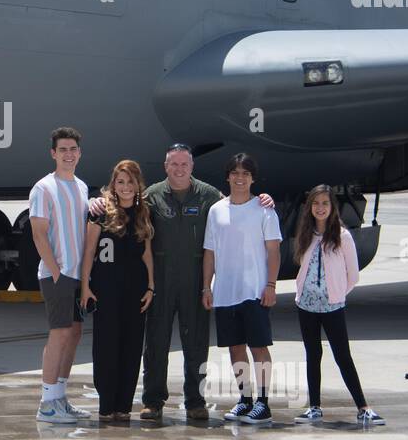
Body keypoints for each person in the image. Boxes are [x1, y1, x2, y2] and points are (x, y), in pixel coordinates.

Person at [88, 144, 273, 424]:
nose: (179, 169)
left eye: (184, 164)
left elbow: (236, 203)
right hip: (160, 281)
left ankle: (195, 401)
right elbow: (119, 203)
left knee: (196, 343)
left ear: (191, 167)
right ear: (165, 167)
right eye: (173, 164)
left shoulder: (208, 196)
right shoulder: (151, 197)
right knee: (156, 344)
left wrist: (264, 199)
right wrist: (95, 202)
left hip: (194, 280)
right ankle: (153, 401)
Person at [292, 184, 385, 425]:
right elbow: (302, 265)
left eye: (325, 203)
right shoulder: (305, 233)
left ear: (333, 207)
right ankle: (314, 407)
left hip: (332, 305)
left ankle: (363, 407)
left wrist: (336, 294)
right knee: (313, 354)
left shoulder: (342, 237)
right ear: (309, 207)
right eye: (315, 203)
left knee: (343, 355)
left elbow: (352, 275)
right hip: (307, 305)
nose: (320, 208)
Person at [202, 153, 282, 424]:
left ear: (252, 178)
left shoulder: (264, 209)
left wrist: (271, 284)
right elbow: (210, 252)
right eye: (235, 173)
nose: (240, 178)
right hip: (226, 292)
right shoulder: (216, 210)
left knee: (258, 347)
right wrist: (206, 287)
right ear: (228, 176)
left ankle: (263, 402)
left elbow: (273, 251)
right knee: (235, 348)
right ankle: (245, 399)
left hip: (255, 290)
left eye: (245, 174)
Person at [80, 160, 155, 423]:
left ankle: (124, 406)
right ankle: (106, 405)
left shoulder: (144, 213)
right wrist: (85, 286)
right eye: (120, 182)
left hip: (135, 290)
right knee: (106, 347)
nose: (125, 187)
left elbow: (147, 254)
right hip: (106, 289)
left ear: (137, 185)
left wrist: (151, 286)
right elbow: (89, 251)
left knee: (132, 347)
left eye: (130, 182)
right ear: (113, 184)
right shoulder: (100, 212)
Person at [29, 127, 90, 423]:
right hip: (58, 275)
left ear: (79, 153)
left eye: (73, 149)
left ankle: (60, 397)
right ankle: (46, 402)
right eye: (63, 150)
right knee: (59, 334)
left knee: (74, 333)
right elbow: (39, 235)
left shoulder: (81, 186)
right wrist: (56, 272)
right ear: (53, 154)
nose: (68, 154)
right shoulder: (43, 188)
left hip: (78, 276)